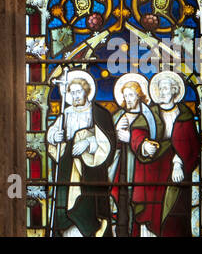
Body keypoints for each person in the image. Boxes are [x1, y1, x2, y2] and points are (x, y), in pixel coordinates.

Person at [45, 69, 116, 237]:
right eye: (72, 92)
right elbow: (51, 137)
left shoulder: (99, 113)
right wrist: (55, 137)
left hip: (91, 173)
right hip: (66, 170)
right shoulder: (65, 113)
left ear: (87, 92)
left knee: (88, 212)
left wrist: (89, 142)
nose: (76, 96)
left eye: (79, 91)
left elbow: (108, 143)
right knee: (65, 213)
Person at [146, 70, 202, 237]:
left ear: (174, 91)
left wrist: (179, 162)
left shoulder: (185, 115)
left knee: (175, 215)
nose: (161, 92)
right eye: (159, 89)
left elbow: (193, 146)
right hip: (153, 170)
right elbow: (139, 133)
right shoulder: (150, 113)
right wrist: (143, 145)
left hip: (177, 173)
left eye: (165, 88)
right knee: (152, 210)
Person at [111, 73, 162, 236]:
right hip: (120, 170)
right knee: (120, 206)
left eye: (131, 94)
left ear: (139, 95)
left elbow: (155, 141)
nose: (128, 98)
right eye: (125, 95)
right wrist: (115, 132)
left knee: (137, 205)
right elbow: (108, 144)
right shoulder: (117, 116)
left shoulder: (148, 117)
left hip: (140, 171)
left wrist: (132, 138)